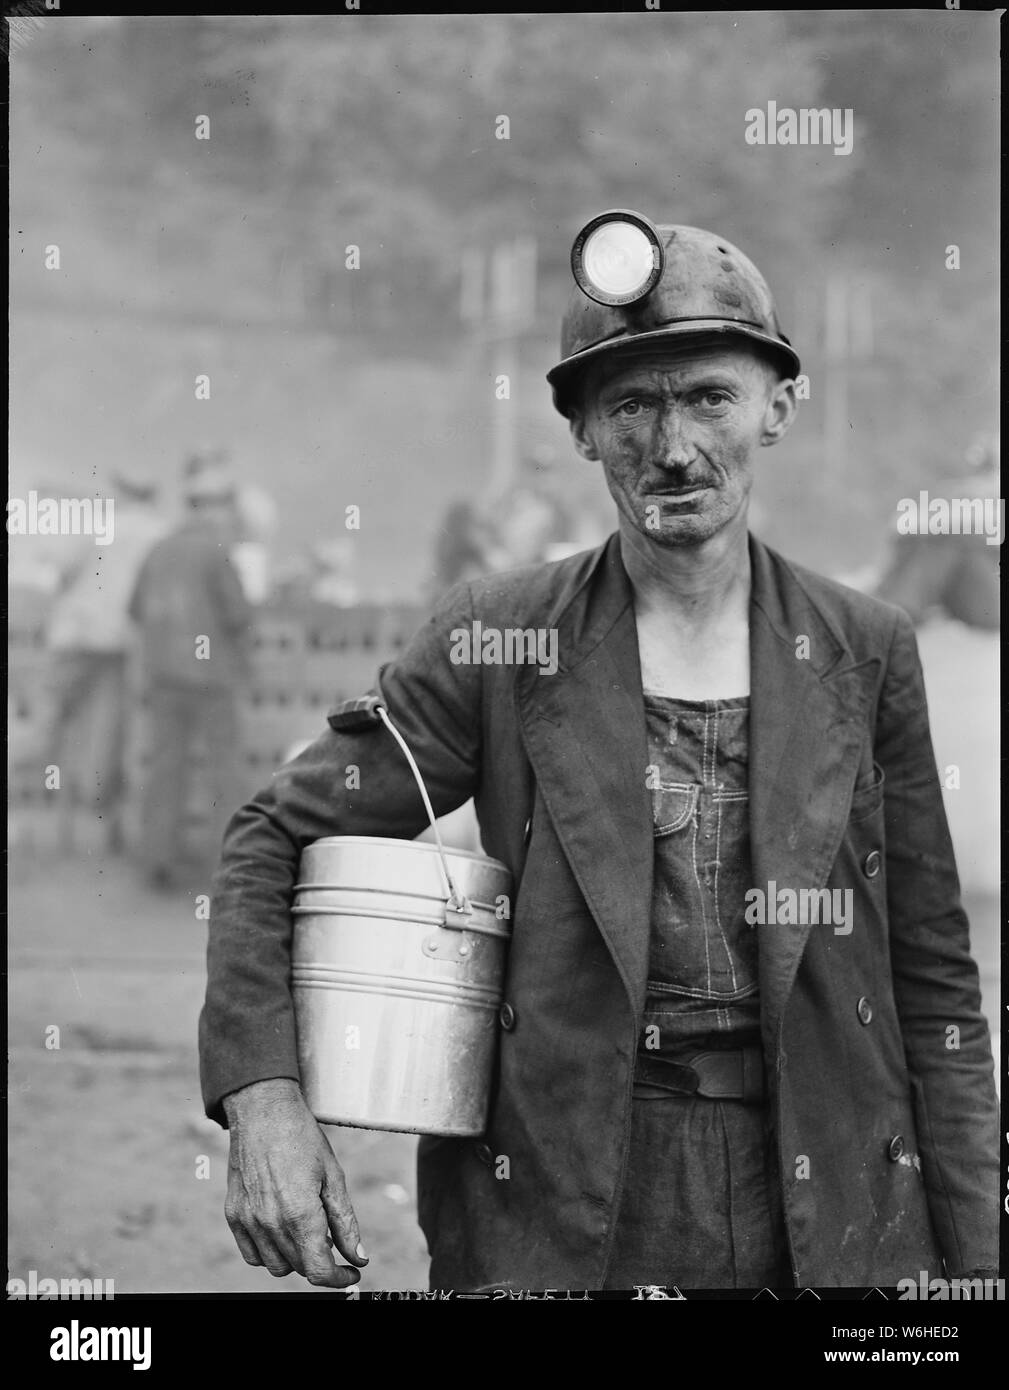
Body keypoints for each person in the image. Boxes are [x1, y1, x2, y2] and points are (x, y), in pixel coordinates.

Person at [199, 213, 998, 1292]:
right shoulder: (500, 640)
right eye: (629, 406)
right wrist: (264, 1098)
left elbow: (934, 982)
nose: (671, 448)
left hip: (830, 1206)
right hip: (566, 1202)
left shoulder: (861, 650)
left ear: (779, 407)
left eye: (710, 396)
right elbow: (274, 837)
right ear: (579, 429)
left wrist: (975, 1252)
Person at [129, 457, 252, 889]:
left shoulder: (159, 549)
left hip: (164, 678)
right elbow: (238, 614)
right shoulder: (217, 551)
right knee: (223, 769)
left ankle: (157, 860)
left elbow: (136, 608)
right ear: (211, 507)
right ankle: (226, 862)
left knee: (166, 768)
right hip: (211, 678)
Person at [45, 465, 166, 852]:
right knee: (110, 735)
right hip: (119, 643)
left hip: (76, 638)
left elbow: (63, 568)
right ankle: (101, 821)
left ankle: (56, 825)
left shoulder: (103, 525)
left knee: (55, 726)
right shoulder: (157, 532)